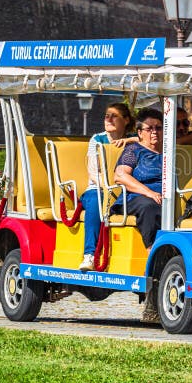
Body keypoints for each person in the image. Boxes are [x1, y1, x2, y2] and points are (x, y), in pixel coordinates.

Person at [79, 102, 136, 271]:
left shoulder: (132, 139)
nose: (109, 119)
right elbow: (92, 172)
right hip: (98, 188)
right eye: (106, 116)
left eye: (114, 116)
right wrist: (108, 188)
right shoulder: (97, 139)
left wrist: (129, 140)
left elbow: (146, 141)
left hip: (125, 189)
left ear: (125, 120)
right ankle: (89, 255)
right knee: (97, 200)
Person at [111, 107, 164, 249]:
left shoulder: (169, 152)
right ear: (140, 133)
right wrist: (148, 192)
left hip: (164, 198)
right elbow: (120, 176)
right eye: (149, 129)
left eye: (158, 128)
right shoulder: (134, 150)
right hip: (135, 198)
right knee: (149, 206)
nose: (154, 132)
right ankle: (152, 251)